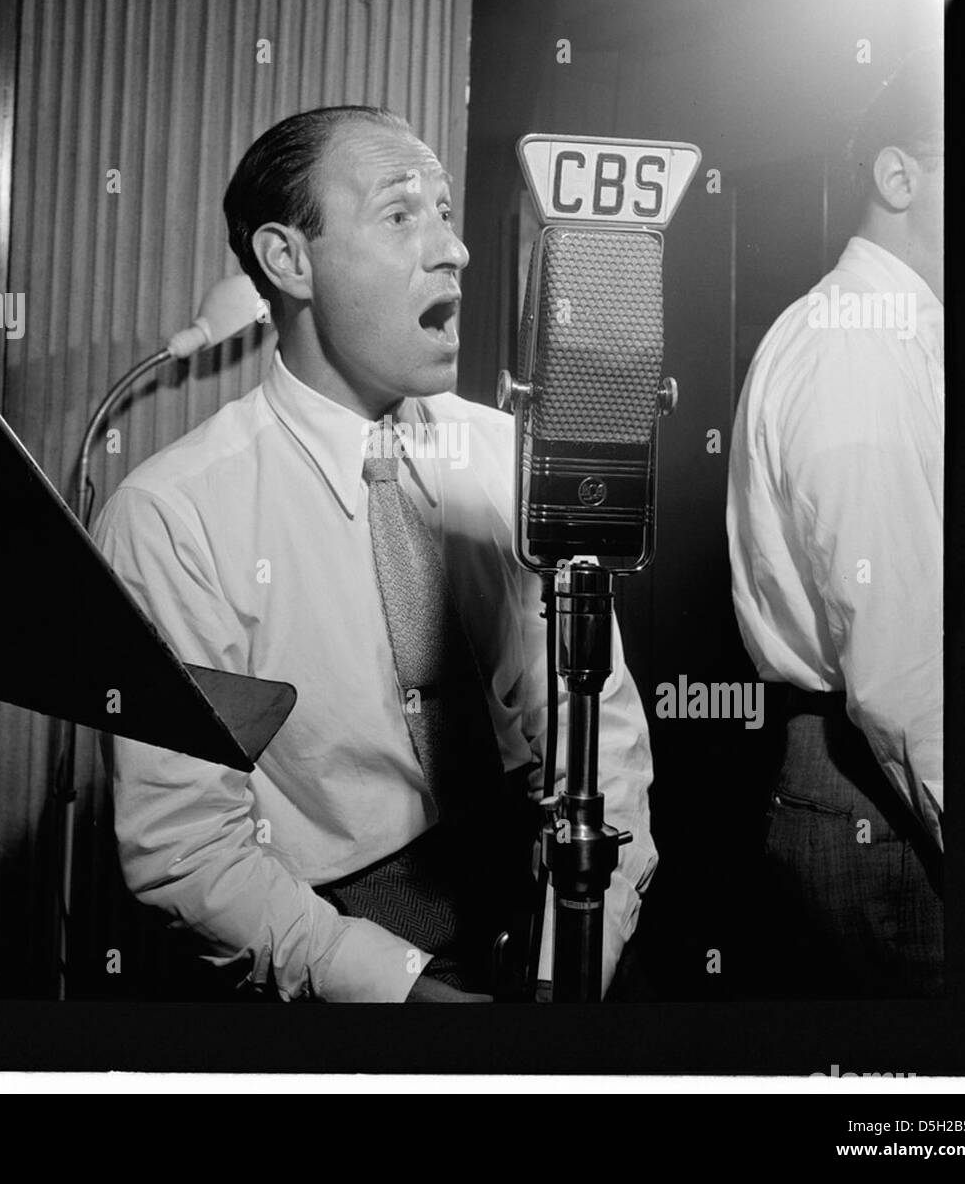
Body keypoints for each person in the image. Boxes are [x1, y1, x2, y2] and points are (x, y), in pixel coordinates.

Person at [93, 104, 657, 1003]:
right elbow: (188, 848)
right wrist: (399, 993)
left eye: (444, 211)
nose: (452, 249)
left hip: (548, 914)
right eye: (401, 214)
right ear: (289, 260)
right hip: (344, 942)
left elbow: (604, 738)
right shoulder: (172, 517)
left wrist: (574, 961)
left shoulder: (514, 459)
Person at [726, 51, 944, 997]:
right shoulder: (854, 350)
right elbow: (904, 675)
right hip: (884, 804)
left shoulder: (895, 338)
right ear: (898, 176)